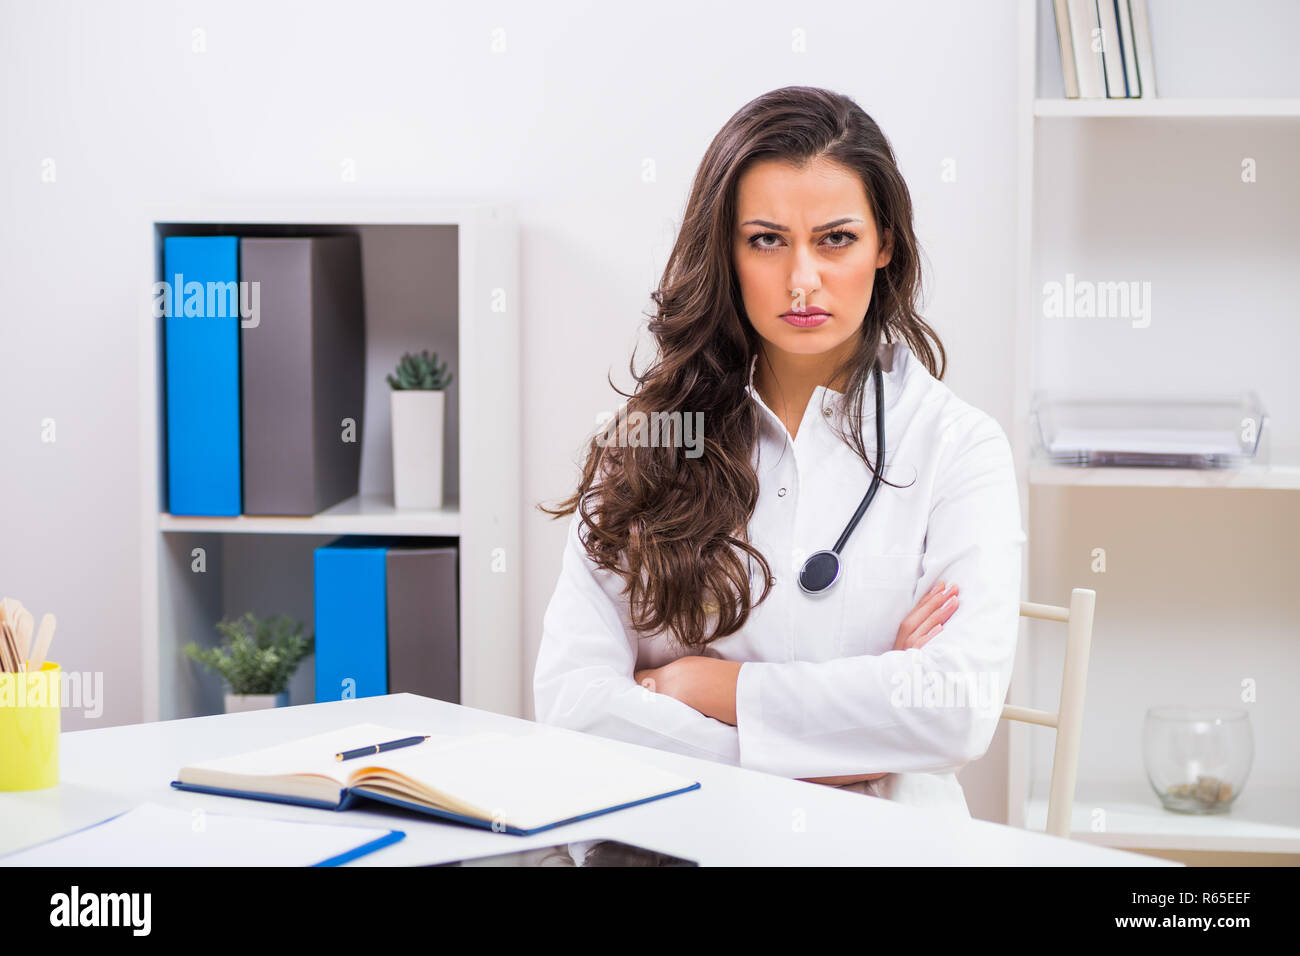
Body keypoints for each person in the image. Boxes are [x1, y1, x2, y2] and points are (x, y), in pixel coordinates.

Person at [534, 86, 1026, 817]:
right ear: (727, 251)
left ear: (885, 244)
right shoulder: (650, 440)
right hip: (681, 837)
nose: (802, 281)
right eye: (766, 239)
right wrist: (843, 736)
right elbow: (573, 701)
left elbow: (954, 707)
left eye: (836, 239)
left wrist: (711, 688)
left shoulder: (958, 447)